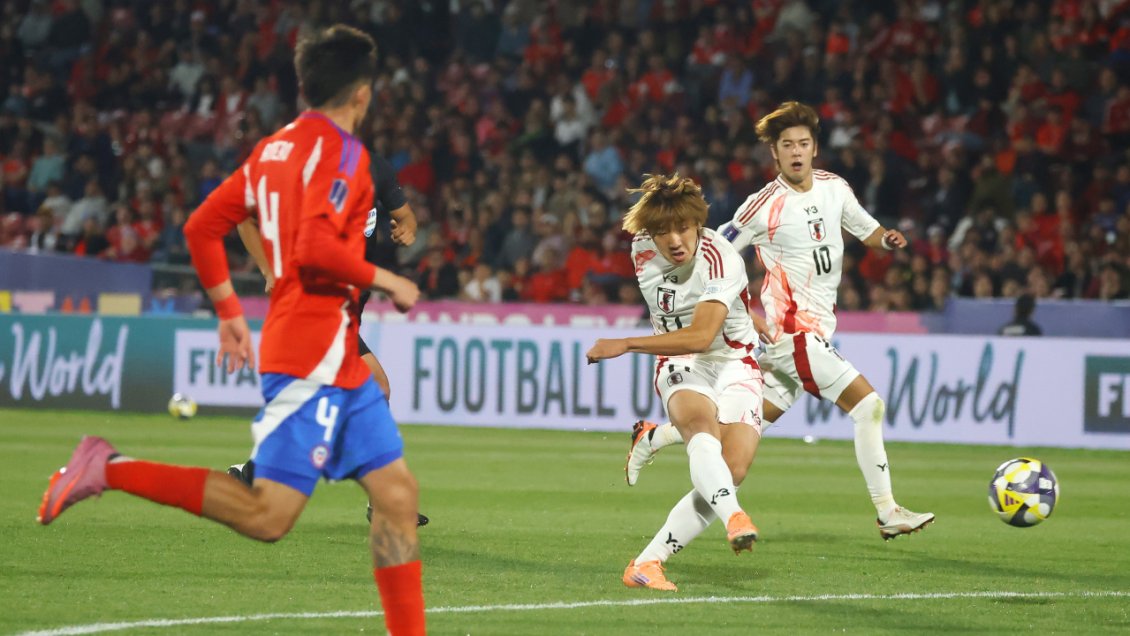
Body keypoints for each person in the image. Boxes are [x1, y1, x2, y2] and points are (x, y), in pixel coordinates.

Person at [37, 26, 427, 635]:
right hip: (311, 353)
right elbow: (318, 249)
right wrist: (388, 280)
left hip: (334, 351)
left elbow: (201, 227)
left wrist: (227, 313)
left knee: (398, 497)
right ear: (362, 93)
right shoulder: (345, 154)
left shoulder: (271, 151)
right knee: (268, 516)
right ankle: (106, 467)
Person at [626, 102, 934, 541]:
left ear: (814, 148)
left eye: (803, 144)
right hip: (792, 334)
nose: (796, 152)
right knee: (869, 406)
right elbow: (716, 251)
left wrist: (886, 238)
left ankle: (656, 438)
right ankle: (887, 510)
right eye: (786, 144)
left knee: (738, 436)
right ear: (774, 152)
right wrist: (734, 306)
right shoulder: (762, 206)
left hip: (813, 332)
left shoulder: (834, 188)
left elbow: (865, 229)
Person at [232, 151, 430, 527]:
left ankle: (251, 472)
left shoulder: (377, 167)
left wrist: (408, 228)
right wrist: (267, 269)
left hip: (349, 309)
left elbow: (405, 216)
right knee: (373, 389)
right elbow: (243, 215)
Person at [586, 174, 763, 592]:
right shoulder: (641, 249)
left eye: (683, 227)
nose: (674, 240)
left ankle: (647, 562)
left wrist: (625, 343)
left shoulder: (722, 259)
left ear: (699, 224)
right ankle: (735, 516)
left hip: (734, 359)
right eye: (662, 231)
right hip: (679, 359)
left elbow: (703, 335)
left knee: (731, 468)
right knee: (701, 430)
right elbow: (690, 339)